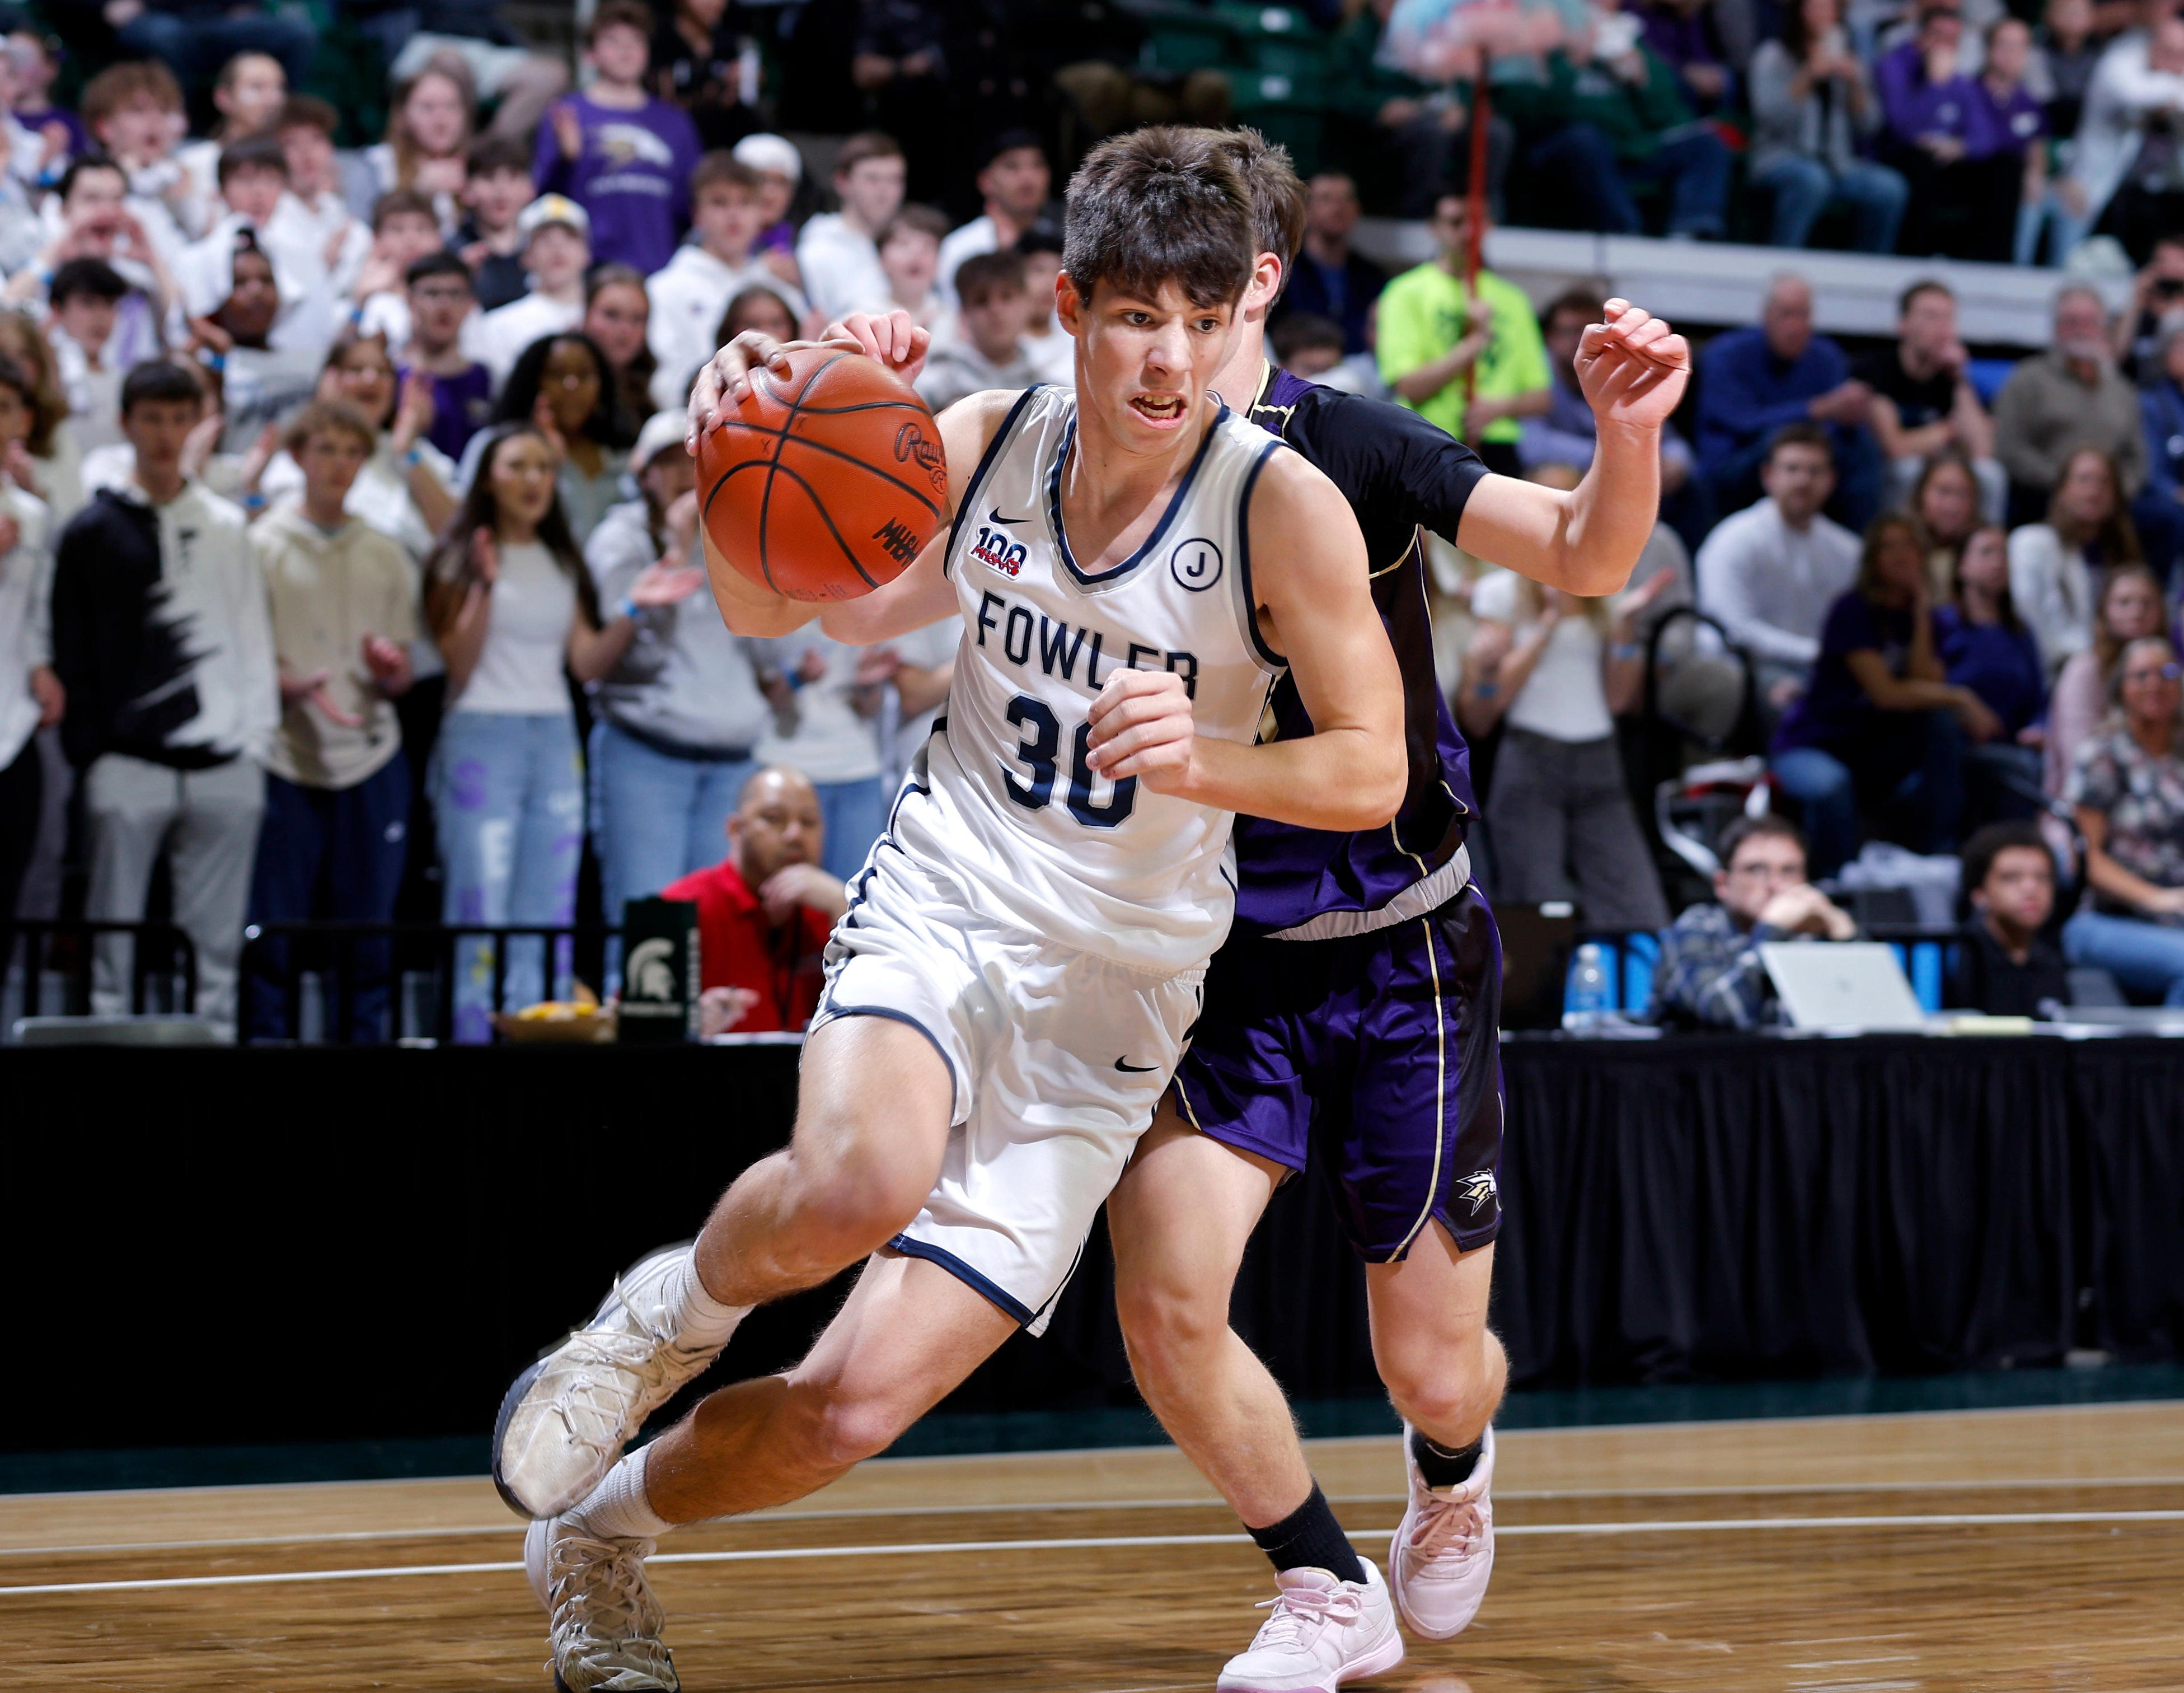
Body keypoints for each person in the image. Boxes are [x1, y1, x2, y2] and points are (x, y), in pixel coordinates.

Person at [493, 127, 1418, 1691]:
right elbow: (786, 609)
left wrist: (1202, 758)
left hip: (1113, 1006)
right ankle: (659, 1317)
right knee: (859, 1175)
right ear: (1068, 305)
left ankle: (593, 1537)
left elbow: (1373, 770)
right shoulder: (983, 441)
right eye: (1137, 315)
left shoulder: (1281, 509)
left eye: (1204, 318)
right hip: (948, 898)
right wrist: (745, 450)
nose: (1170, 355)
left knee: (844, 1417)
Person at [424, 423, 702, 1042]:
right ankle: (472, 1044)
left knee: (546, 910)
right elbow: (458, 666)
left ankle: (538, 1051)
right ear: (486, 479)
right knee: (480, 905)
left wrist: (634, 606)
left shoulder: (561, 557)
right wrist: (485, 587)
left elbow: (584, 664)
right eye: (516, 466)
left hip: (554, 740)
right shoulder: (460, 556)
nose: (533, 480)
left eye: (543, 468)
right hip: (480, 735)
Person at [48, 361, 276, 1040]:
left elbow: (251, 633)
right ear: (126, 425)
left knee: (216, 953)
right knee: (111, 944)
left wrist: (255, 744)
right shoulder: (92, 529)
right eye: (152, 418)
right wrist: (94, 754)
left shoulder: (228, 525)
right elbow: (71, 642)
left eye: (179, 419)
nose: (166, 435)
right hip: (127, 763)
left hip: (227, 762)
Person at [243, 401, 417, 1042]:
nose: (338, 464)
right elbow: (240, 661)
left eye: (351, 452)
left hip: (369, 758)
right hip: (284, 758)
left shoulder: (384, 552)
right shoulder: (260, 546)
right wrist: (288, 687)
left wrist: (390, 668)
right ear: (298, 456)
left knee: (367, 942)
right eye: (325, 450)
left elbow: (400, 678)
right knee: (274, 940)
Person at [586, 411, 770, 932]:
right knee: (651, 931)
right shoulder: (619, 539)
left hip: (731, 760)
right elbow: (627, 662)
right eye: (666, 463)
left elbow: (761, 645)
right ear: (642, 473)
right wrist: (673, 549)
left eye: (692, 462)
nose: (681, 476)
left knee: (717, 932)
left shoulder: (733, 534)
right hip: (648, 757)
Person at [1460, 536, 1677, 926]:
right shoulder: (1501, 592)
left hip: (1600, 760)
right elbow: (1485, 712)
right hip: (1531, 759)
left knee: (1640, 908)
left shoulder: (1607, 588)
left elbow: (1619, 700)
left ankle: (1635, 985)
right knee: (1539, 910)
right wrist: (1546, 626)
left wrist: (1626, 626)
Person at [1771, 510, 1999, 874]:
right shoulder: (1852, 610)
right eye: (1888, 547)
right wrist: (1963, 698)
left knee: (1940, 725)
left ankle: (1939, 858)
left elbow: (1926, 680)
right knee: (1831, 786)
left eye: (1908, 546)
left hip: (1873, 750)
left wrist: (1923, 608)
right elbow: (1886, 694)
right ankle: (1840, 884)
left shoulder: (1929, 618)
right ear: (1872, 559)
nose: (1900, 555)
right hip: (1814, 744)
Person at [1504, 16, 1733, 239]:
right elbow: (1528, 111)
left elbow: (1668, 116)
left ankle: (1689, 235)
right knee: (1585, 139)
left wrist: (1642, 81)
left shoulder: (1630, 42)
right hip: (1569, 155)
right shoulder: (1544, 39)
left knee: (1706, 143)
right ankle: (1626, 233)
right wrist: (1571, 63)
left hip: (1631, 152)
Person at [662, 766, 848, 1039]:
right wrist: (686, 1024)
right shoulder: (682, 907)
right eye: (774, 819)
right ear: (735, 830)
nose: (795, 834)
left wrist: (843, 906)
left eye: (808, 822)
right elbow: (635, 1028)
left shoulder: (834, 911)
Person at [1376, 191, 1550, 476]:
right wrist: (1474, 344)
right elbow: (1408, 384)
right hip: (1428, 437)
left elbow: (1541, 396)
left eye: (1477, 222)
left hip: (1497, 446)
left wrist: (1496, 408)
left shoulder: (1512, 300)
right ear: (1434, 228)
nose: (1468, 232)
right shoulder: (1405, 293)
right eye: (1457, 222)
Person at [254, 328, 458, 567]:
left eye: (382, 372)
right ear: (330, 380)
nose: (371, 379)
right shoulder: (302, 452)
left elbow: (454, 534)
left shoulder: (415, 453)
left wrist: (406, 452)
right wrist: (328, 419)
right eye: (356, 370)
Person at [1695, 422, 1864, 703]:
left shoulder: (1848, 550)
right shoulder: (1732, 539)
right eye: (1792, 469)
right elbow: (1733, 630)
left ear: (1831, 481)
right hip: (1746, 672)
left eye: (1815, 471)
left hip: (1824, 670)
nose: (1803, 481)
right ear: (1768, 476)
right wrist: (1818, 653)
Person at [535, 1, 701, 277]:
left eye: (635, 41)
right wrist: (566, 160)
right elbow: (543, 203)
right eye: (613, 41)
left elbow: (691, 205)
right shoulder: (567, 114)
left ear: (648, 52)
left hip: (661, 269)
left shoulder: (676, 122)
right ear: (590, 54)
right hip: (591, 271)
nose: (625, 51)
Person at [1695, 273, 1877, 521]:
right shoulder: (1727, 353)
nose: (1796, 326)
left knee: (1860, 444)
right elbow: (1743, 421)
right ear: (1767, 315)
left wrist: (1852, 411)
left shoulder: (1827, 356)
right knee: (1781, 443)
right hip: (1738, 460)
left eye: (1803, 315)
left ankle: (1861, 546)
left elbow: (1833, 425)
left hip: (1809, 453)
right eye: (1787, 314)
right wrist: (1815, 409)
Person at [1648, 813, 1859, 1026]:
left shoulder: (1807, 935)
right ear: (1723, 884)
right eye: (1757, 870)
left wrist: (1848, 936)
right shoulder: (1698, 928)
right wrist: (1771, 931)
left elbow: (1878, 1019)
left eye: (1789, 871)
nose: (1776, 885)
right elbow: (1723, 1012)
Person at [2064, 634, 2184, 1002]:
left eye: (2166, 672)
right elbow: (2087, 857)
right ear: (2120, 689)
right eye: (2141, 675)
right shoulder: (2104, 756)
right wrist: (2159, 899)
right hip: (2109, 921)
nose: (2155, 684)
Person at [1993, 286, 2156, 542]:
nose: (2080, 329)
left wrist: (2113, 489)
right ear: (2055, 328)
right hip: (2045, 494)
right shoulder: (2028, 379)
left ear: (2103, 328)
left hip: (2113, 500)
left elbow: (2137, 458)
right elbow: (2009, 448)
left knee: (2165, 519)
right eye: (2071, 322)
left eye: (2089, 322)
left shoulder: (2122, 389)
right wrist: (2065, 484)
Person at [645, 152, 804, 413]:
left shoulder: (781, 290)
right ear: (697, 214)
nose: (734, 215)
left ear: (759, 213)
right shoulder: (664, 289)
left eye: (745, 203)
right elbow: (661, 381)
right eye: (720, 203)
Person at [1747, 0, 1908, 251]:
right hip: (1780, 158)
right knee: (1812, 179)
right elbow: (1769, 118)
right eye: (1816, 6)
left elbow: (1870, 127)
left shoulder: (1847, 55)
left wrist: (1856, 84)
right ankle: (1783, 256)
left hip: (1837, 163)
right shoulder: (1773, 55)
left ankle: (1869, 267)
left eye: (1830, 7)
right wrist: (1808, 76)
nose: (1824, 14)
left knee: (1889, 188)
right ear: (1800, 11)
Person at [1327, 0, 1511, 217]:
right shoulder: (1356, 38)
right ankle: (1424, 215)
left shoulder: (1433, 32)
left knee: (1494, 132)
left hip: (1436, 116)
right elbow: (1340, 93)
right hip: (1382, 134)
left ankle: (1480, 214)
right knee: (1430, 134)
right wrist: (1381, 107)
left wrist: (1461, 107)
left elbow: (1463, 78)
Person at [1877, 0, 2021, 259]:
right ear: (1920, 36)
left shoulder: (1960, 81)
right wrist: (1935, 86)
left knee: (2006, 166)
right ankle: (1912, 257)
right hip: (1902, 158)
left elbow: (1986, 136)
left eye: (1953, 39)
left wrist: (1961, 147)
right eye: (1938, 36)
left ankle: (1993, 263)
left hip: (1948, 158)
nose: (1944, 46)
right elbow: (1901, 127)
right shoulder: (1894, 67)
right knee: (1920, 160)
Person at [1856, 279, 2002, 518]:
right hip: (1887, 472)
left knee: (1990, 474)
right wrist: (1949, 430)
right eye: (1930, 317)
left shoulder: (1951, 378)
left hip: (1939, 468)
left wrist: (1959, 378)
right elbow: (1896, 447)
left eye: (1948, 319)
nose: (1942, 328)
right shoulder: (1876, 369)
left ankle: (1981, 549)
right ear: (1903, 325)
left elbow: (1982, 450)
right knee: (1908, 470)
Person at [1937, 521, 2049, 817]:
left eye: (2004, 555)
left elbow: (2038, 698)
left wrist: (2039, 728)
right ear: (1962, 566)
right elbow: (1929, 687)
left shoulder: (2020, 632)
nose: (1998, 563)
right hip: (1954, 748)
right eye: (1987, 553)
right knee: (2022, 768)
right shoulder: (1943, 624)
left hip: (2011, 744)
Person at [0, 363, 57, 939]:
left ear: (23, 420)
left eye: (3, 409)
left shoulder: (33, 514)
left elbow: (37, 612)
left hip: (13, 727)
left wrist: (42, 667)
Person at [483, 331, 634, 545]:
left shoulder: (623, 455)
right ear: (532, 382)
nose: (572, 386)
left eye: (584, 375)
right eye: (556, 374)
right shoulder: (494, 447)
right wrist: (547, 460)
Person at [2009, 445, 2144, 676]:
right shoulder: (2031, 543)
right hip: (2055, 670)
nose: (2094, 490)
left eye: (2104, 482)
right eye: (2084, 480)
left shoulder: (2123, 553)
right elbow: (2028, 619)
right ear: (2062, 490)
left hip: (2121, 674)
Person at [2066, 12, 2184, 265]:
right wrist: (2174, 91)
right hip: (2106, 189)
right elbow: (2134, 93)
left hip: (2164, 192)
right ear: (2151, 47)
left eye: (2182, 56)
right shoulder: (2119, 62)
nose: (2175, 63)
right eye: (2169, 52)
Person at [2046, 563, 2167, 795]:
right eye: (2124, 602)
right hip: (2093, 799)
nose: (2137, 611)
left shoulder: (2168, 670)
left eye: (2146, 603)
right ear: (2104, 611)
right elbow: (2078, 757)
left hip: (2166, 793)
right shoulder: (2084, 671)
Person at [102, 0, 315, 117]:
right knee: (163, 36)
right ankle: (178, 121)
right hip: (155, 14)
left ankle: (287, 123)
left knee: (298, 34)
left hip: (220, 18)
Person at [1947, 820, 2068, 1012]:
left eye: (2042, 877)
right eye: (2011, 878)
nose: (2031, 889)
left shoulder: (2054, 963)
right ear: (1979, 893)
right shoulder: (1954, 960)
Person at [472, 195, 592, 384]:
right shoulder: (499, 326)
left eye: (569, 237)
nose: (557, 248)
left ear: (587, 253)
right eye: (544, 239)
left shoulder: (604, 319)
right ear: (526, 256)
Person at [794, 131, 904, 327]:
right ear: (842, 183)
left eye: (894, 180)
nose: (885, 191)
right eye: (873, 179)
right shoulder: (819, 251)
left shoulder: (909, 244)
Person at [935, 129, 1053, 309]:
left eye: (1037, 165)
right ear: (986, 182)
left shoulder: (1063, 241)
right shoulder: (960, 248)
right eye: (1012, 167)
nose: (1028, 178)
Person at [1272, 172, 1386, 357]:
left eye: (1346, 199)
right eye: (1326, 199)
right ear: (1306, 211)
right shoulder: (1283, 271)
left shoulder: (1371, 276)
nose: (1338, 208)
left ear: (1357, 210)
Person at [356, 59, 474, 232]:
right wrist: (419, 192)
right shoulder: (375, 164)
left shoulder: (476, 168)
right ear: (401, 116)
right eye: (427, 107)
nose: (442, 119)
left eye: (451, 106)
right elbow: (361, 232)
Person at [912, 249, 1035, 414]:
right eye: (981, 300)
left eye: (1007, 297)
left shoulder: (1045, 392)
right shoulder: (932, 385)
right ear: (964, 313)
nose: (995, 310)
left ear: (1027, 303)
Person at [399, 252, 493, 464]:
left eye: (455, 294)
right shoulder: (393, 376)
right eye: (432, 294)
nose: (444, 305)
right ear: (410, 301)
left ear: (470, 303)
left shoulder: (485, 378)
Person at [0, 314, 86, 524]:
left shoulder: (57, 434)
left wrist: (32, 490)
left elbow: (76, 520)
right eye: (3, 354)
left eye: (23, 354)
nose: (13, 365)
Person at [650, 0, 765, 151]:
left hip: (729, 146)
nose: (715, 4)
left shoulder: (732, 41)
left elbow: (746, 103)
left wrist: (752, 81)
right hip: (672, 143)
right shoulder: (657, 40)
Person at [454, 134, 537, 312]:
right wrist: (459, 277)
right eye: (489, 178)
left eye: (513, 178)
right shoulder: (455, 249)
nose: (501, 191)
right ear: (466, 190)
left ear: (530, 188)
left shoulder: (542, 244)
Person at [584, 265, 657, 428]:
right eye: (612, 314)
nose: (625, 330)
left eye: (637, 319)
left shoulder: (654, 392)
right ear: (586, 314)